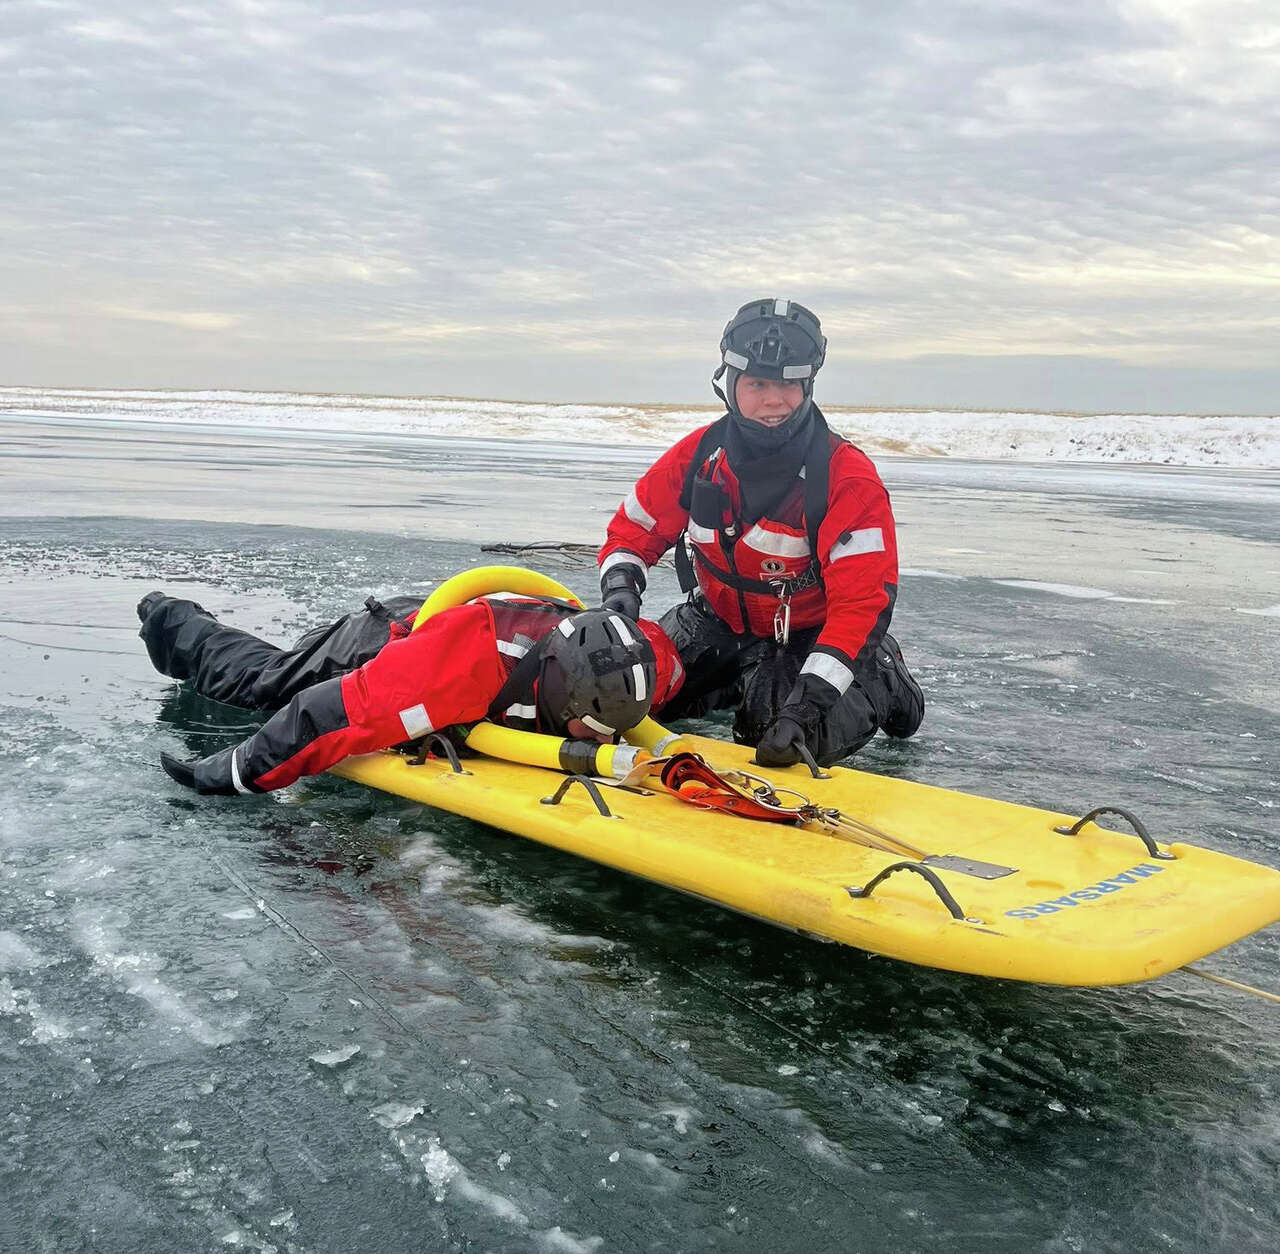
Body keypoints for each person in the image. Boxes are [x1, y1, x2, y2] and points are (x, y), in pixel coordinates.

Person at [598, 298, 923, 768]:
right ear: (729, 386)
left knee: (775, 742)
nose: (774, 400)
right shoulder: (697, 456)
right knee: (621, 692)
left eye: (789, 383)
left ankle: (883, 678)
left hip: (810, 633)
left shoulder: (847, 479)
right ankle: (737, 675)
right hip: (714, 619)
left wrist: (806, 705)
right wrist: (620, 589)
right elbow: (632, 531)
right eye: (757, 384)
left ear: (808, 384)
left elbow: (860, 605)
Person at [137, 589, 683, 795]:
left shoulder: (639, 660)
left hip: (459, 619)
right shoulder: (456, 675)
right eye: (588, 725)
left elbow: (676, 658)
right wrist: (230, 774)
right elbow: (323, 715)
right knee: (263, 685)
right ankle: (170, 618)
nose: (599, 736)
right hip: (379, 643)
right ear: (561, 693)